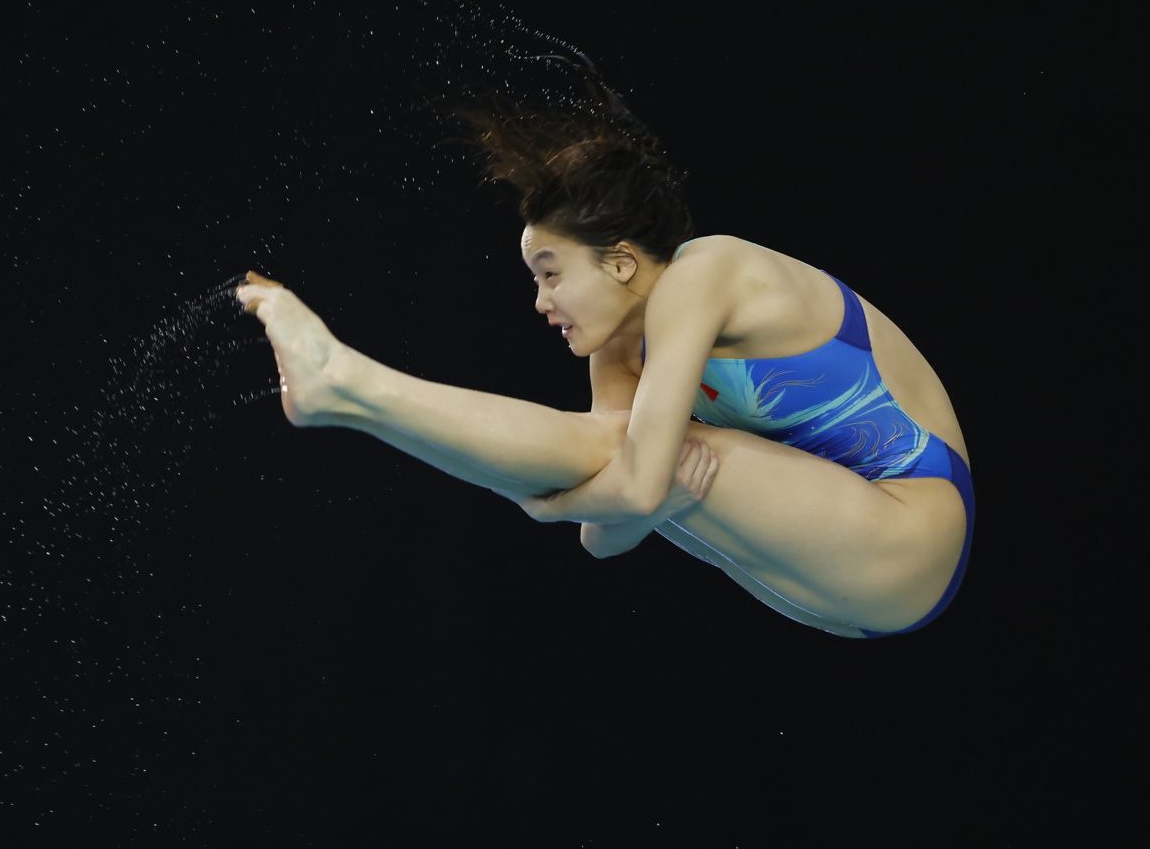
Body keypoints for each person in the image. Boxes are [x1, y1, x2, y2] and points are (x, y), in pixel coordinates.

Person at [236, 79, 972, 638]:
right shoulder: (621, 351)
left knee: (638, 456)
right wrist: (598, 502)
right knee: (629, 459)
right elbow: (604, 538)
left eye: (551, 273)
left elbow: (635, 490)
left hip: (910, 530)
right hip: (830, 588)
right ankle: (340, 399)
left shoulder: (704, 273)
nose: (540, 303)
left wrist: (550, 506)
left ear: (621, 263)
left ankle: (345, 379)